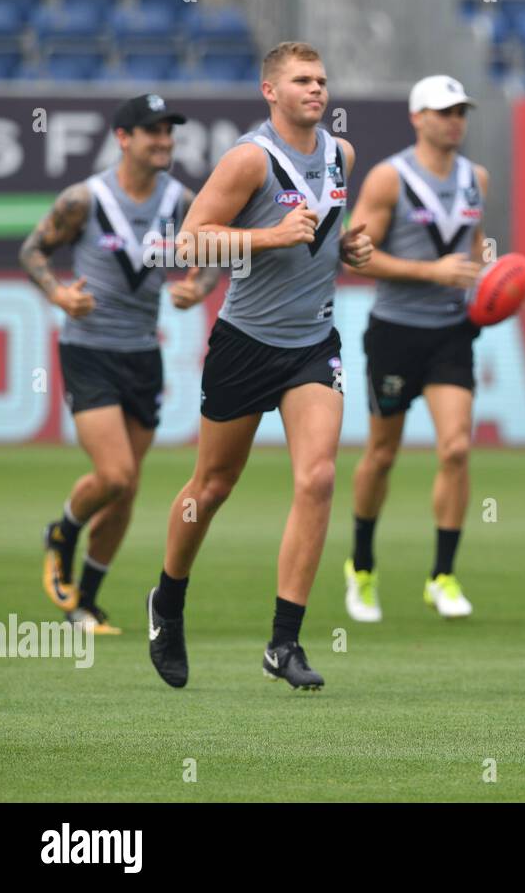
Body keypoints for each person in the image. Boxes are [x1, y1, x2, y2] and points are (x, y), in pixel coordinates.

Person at [146, 42, 373, 690]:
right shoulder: (250, 158)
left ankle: (284, 642)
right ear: (270, 90)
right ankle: (168, 599)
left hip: (313, 344)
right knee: (211, 487)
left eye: (322, 79)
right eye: (301, 80)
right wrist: (270, 236)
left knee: (319, 478)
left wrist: (348, 243)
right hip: (246, 341)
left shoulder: (341, 156)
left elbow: (323, 230)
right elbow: (189, 238)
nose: (316, 89)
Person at [27, 93, 215, 634]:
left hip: (142, 354)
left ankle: (84, 603)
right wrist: (60, 295)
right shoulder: (85, 199)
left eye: (168, 132)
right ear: (123, 138)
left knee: (127, 490)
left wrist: (196, 288)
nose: (163, 141)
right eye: (151, 131)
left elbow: (209, 258)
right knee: (115, 474)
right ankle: (61, 530)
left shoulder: (180, 200)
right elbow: (33, 252)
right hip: (89, 351)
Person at [343, 75, 489, 623]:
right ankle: (361, 565)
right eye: (445, 111)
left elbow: (472, 256)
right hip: (396, 332)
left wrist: (490, 292)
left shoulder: (477, 178)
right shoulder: (388, 178)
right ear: (418, 117)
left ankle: (443, 576)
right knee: (382, 454)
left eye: (461, 111)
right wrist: (432, 271)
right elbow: (355, 255)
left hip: (451, 333)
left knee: (455, 449)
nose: (455, 120)